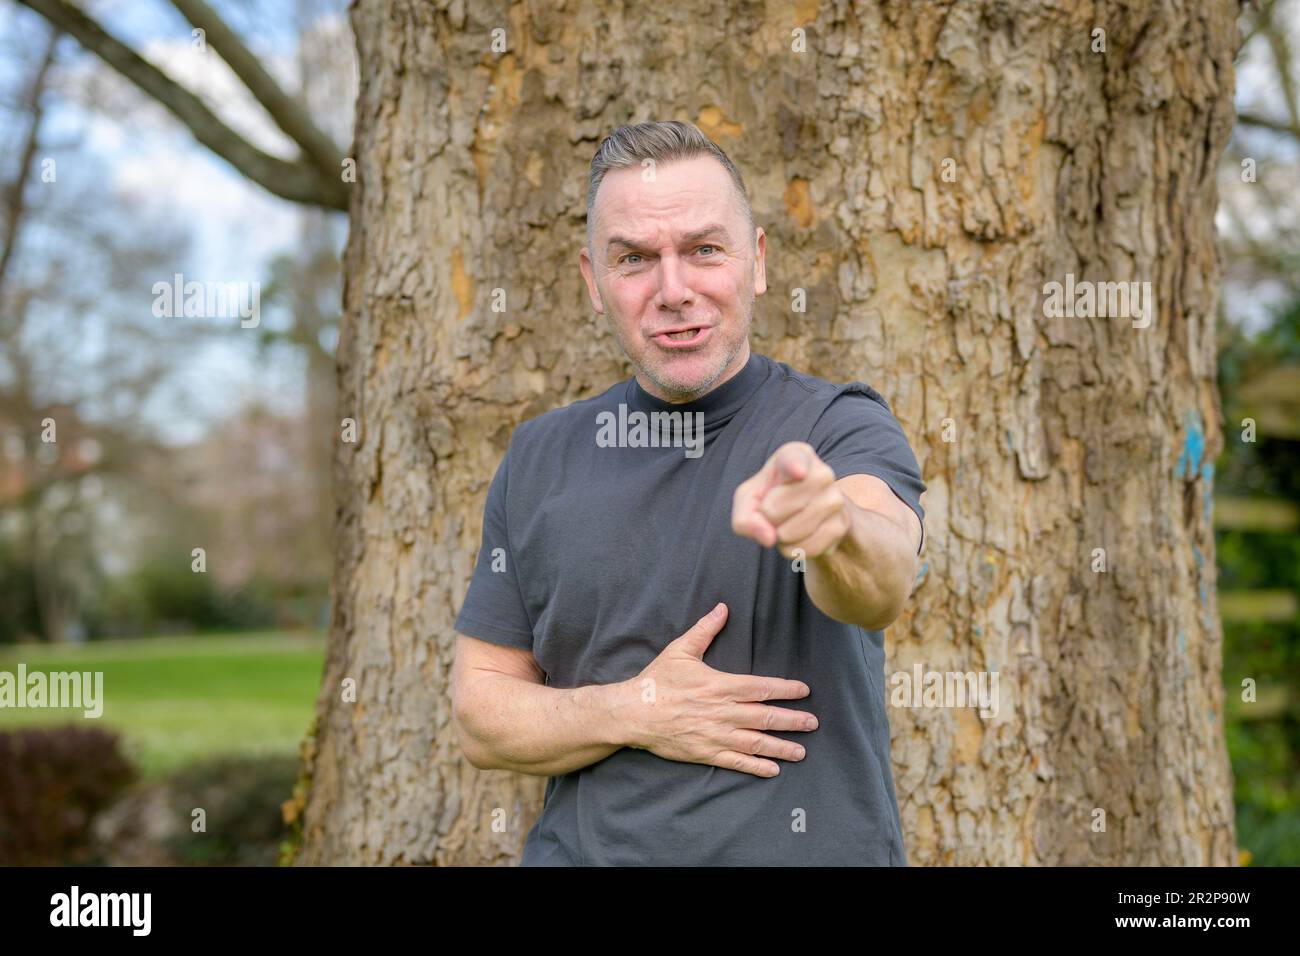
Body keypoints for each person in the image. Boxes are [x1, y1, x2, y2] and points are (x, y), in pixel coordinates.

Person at [450, 120, 926, 865]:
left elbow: (881, 585)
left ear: (757, 261)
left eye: (705, 250)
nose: (674, 291)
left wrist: (831, 527)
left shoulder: (837, 425)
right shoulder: (538, 457)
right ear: (592, 281)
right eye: (635, 258)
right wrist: (640, 709)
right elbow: (481, 716)